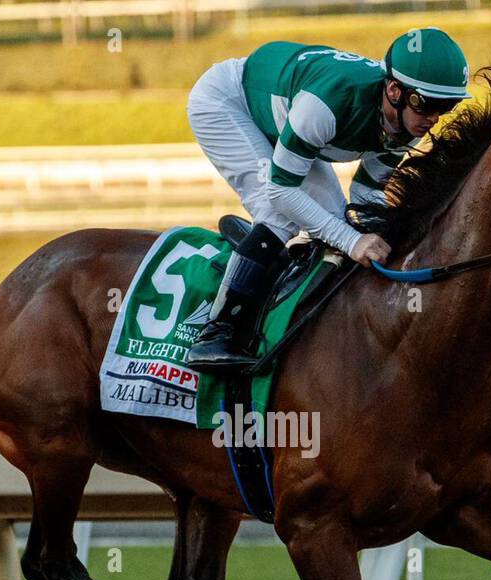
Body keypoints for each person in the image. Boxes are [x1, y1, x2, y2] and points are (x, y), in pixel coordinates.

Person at [184, 27, 469, 372]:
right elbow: (281, 190)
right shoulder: (329, 103)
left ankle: (258, 251)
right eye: (427, 104)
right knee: (280, 215)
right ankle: (215, 334)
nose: (434, 119)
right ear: (394, 90)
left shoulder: (406, 126)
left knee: (334, 216)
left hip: (286, 113)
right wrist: (352, 241)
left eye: (447, 107)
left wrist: (380, 236)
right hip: (228, 102)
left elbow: (366, 194)